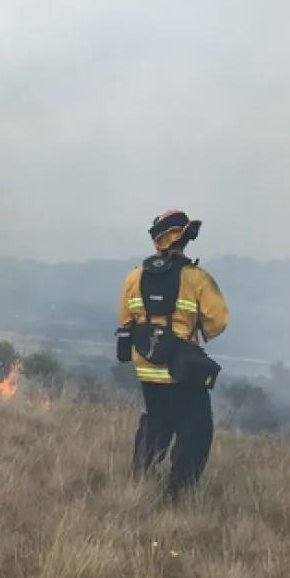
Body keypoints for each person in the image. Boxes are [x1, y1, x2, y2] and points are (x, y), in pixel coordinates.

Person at [117, 209, 229, 500]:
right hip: (182, 370)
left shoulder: (134, 277)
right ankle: (178, 494)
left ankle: (140, 480)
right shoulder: (197, 278)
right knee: (196, 429)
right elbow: (217, 323)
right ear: (183, 237)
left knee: (156, 420)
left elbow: (124, 318)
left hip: (147, 368)